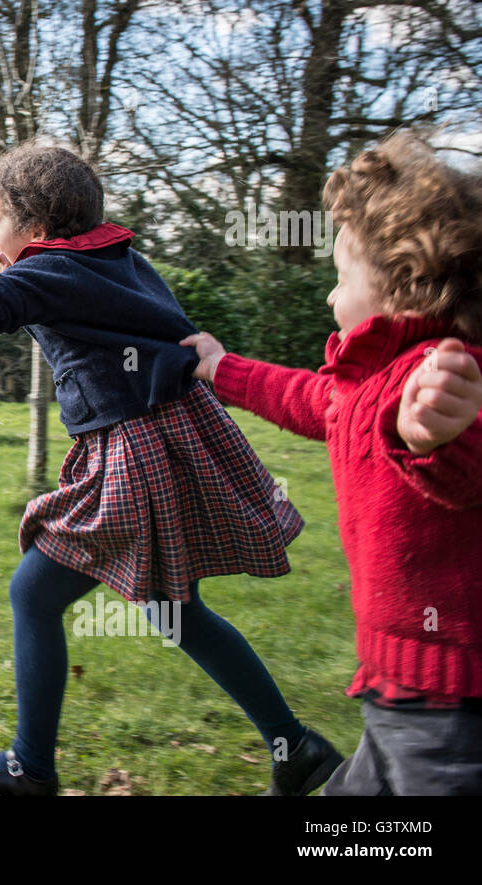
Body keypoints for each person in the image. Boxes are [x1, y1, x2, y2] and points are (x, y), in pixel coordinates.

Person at [0, 140, 339, 796]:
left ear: (35, 228)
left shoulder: (51, 275)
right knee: (174, 610)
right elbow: (79, 310)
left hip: (136, 451)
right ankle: (296, 747)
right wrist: (16, 272)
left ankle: (30, 767)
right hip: (175, 435)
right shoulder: (116, 259)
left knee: (35, 592)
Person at [183, 131, 482, 794]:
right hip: (394, 681)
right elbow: (309, 398)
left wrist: (434, 434)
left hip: (447, 696)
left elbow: (464, 473)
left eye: (342, 277)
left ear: (403, 282)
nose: (329, 296)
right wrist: (221, 367)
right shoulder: (364, 381)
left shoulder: (440, 377)